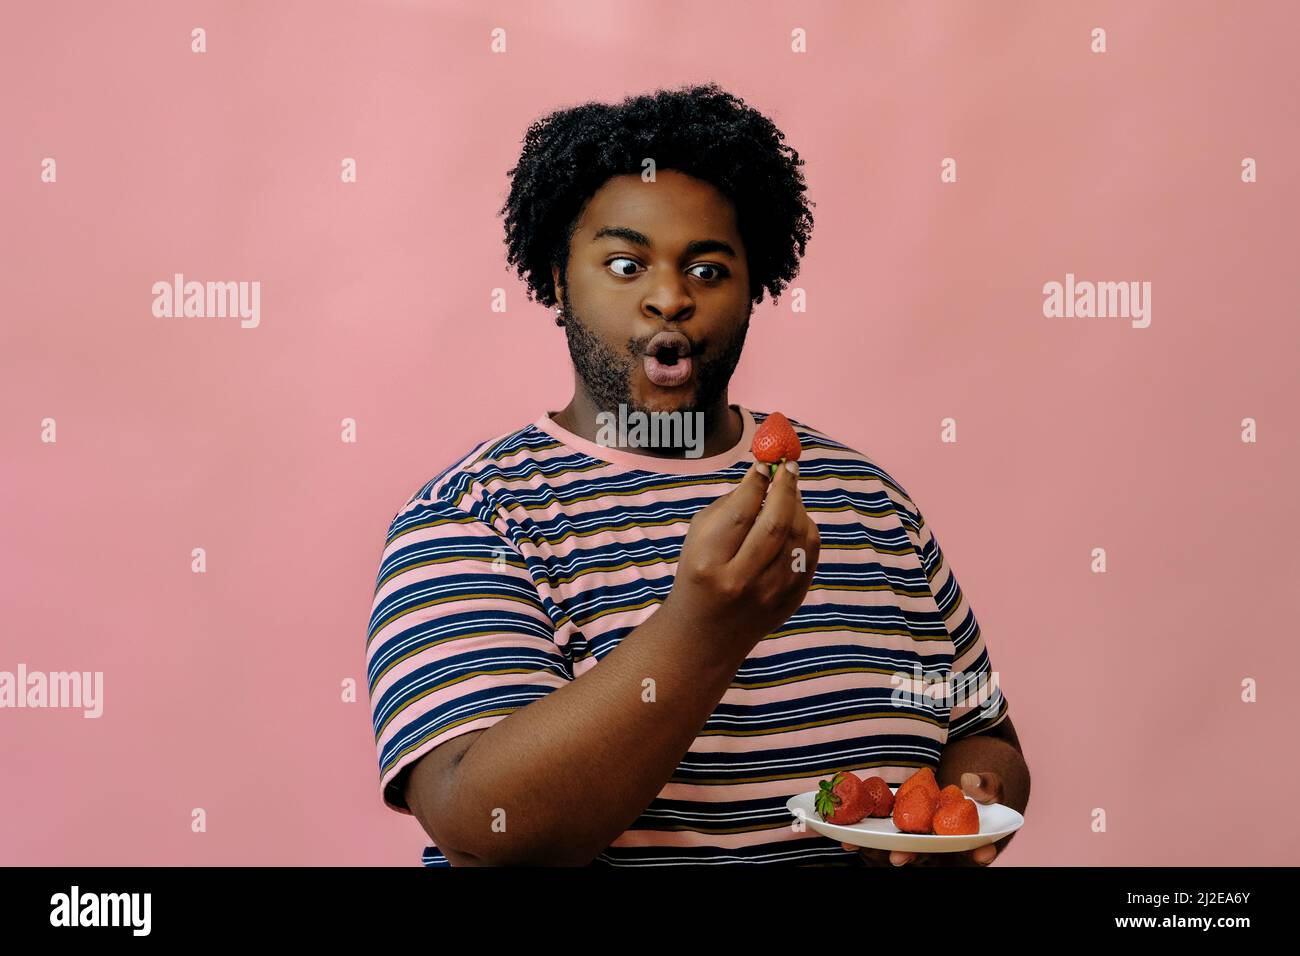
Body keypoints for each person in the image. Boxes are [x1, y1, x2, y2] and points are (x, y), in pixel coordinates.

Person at [364, 83, 1029, 866]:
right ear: (555, 280)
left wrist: (966, 802)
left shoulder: (868, 499)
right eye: (624, 263)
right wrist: (704, 630)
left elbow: (981, 730)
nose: (670, 297)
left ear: (757, 286)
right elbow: (484, 826)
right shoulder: (475, 516)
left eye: (709, 270)